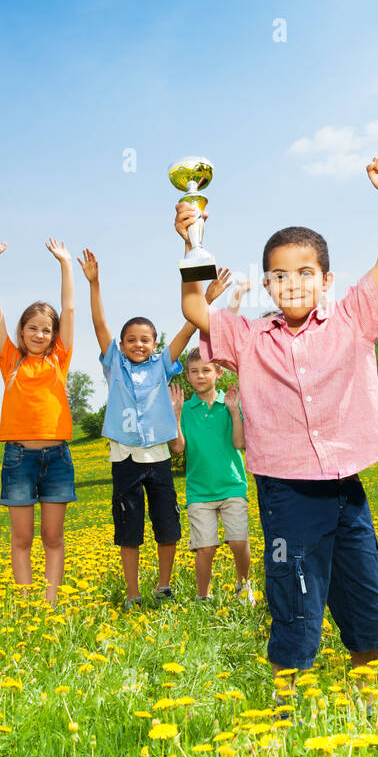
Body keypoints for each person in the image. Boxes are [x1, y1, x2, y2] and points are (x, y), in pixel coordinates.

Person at [174, 157, 378, 706]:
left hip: (346, 489)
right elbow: (191, 306)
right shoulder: (249, 338)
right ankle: (284, 706)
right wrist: (191, 245)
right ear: (268, 284)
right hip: (286, 492)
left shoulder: (350, 319)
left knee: (363, 593)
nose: (293, 283)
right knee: (294, 594)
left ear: (325, 279)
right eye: (280, 274)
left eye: (306, 272)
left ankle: (366, 695)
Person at [77, 249, 227, 608]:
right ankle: (132, 593)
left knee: (167, 526)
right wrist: (94, 284)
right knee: (129, 531)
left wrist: (205, 299)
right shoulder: (114, 365)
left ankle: (163, 585)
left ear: (155, 345)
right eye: (131, 340)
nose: (138, 344)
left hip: (158, 457)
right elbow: (100, 326)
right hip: (125, 458)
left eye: (145, 339)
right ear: (122, 345)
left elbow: (188, 330)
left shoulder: (164, 365)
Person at [0, 238, 75, 605]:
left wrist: (65, 264)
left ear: (53, 336)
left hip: (57, 460)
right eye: (32, 328)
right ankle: (25, 603)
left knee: (53, 537)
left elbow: (67, 309)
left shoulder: (59, 359)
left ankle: (49, 604)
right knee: (22, 539)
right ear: (21, 333)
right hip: (18, 460)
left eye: (45, 330)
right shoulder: (11, 360)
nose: (39, 334)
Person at [169, 352, 254, 605]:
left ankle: (243, 586)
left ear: (219, 373)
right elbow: (178, 448)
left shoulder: (230, 404)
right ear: (188, 377)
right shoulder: (185, 409)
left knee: (238, 541)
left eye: (206, 370)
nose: (200, 376)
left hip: (232, 485)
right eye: (194, 371)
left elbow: (239, 442)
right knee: (205, 547)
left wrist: (233, 411)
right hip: (199, 491)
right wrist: (175, 415)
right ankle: (203, 596)